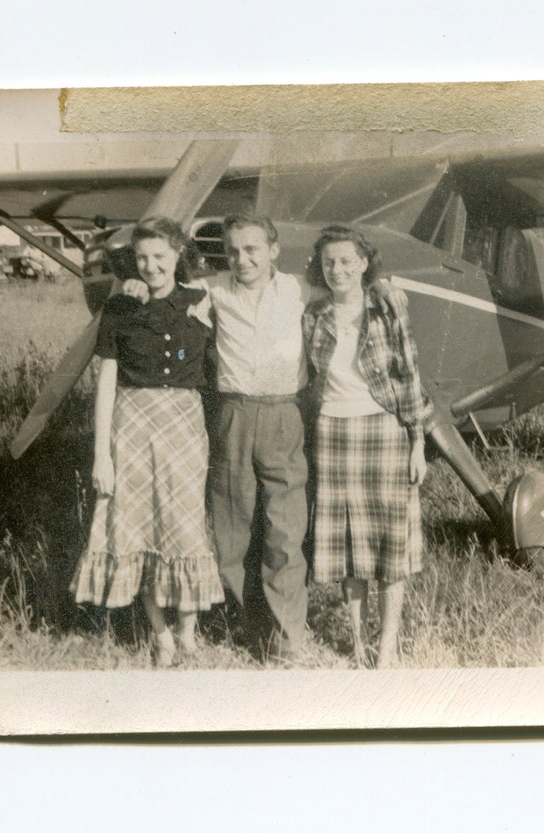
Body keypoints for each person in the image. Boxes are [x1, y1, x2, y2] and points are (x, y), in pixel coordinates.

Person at [122, 213, 406, 663]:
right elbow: (165, 290)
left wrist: (383, 283)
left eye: (253, 249)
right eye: (233, 251)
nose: (242, 259)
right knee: (232, 533)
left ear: (273, 250)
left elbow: (350, 285)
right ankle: (254, 628)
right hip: (233, 414)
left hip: (285, 415)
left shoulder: (299, 290)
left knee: (285, 532)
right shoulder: (210, 290)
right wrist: (132, 285)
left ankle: (288, 639)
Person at [70, 217, 223, 667]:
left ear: (178, 255)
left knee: (184, 522)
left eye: (160, 256)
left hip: (183, 424)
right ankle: (162, 636)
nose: (152, 266)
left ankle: (189, 634)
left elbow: (191, 354)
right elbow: (107, 381)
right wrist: (102, 453)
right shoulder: (121, 309)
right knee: (133, 523)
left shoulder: (202, 302)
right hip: (132, 424)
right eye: (142, 258)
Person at [301, 225, 432, 668]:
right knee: (348, 545)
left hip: (385, 430)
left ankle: (388, 646)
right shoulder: (313, 314)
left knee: (391, 543)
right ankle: (358, 643)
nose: (337, 270)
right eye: (328, 263)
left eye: (346, 261)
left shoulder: (388, 308)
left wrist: (418, 443)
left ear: (363, 263)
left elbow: (410, 376)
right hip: (334, 434)